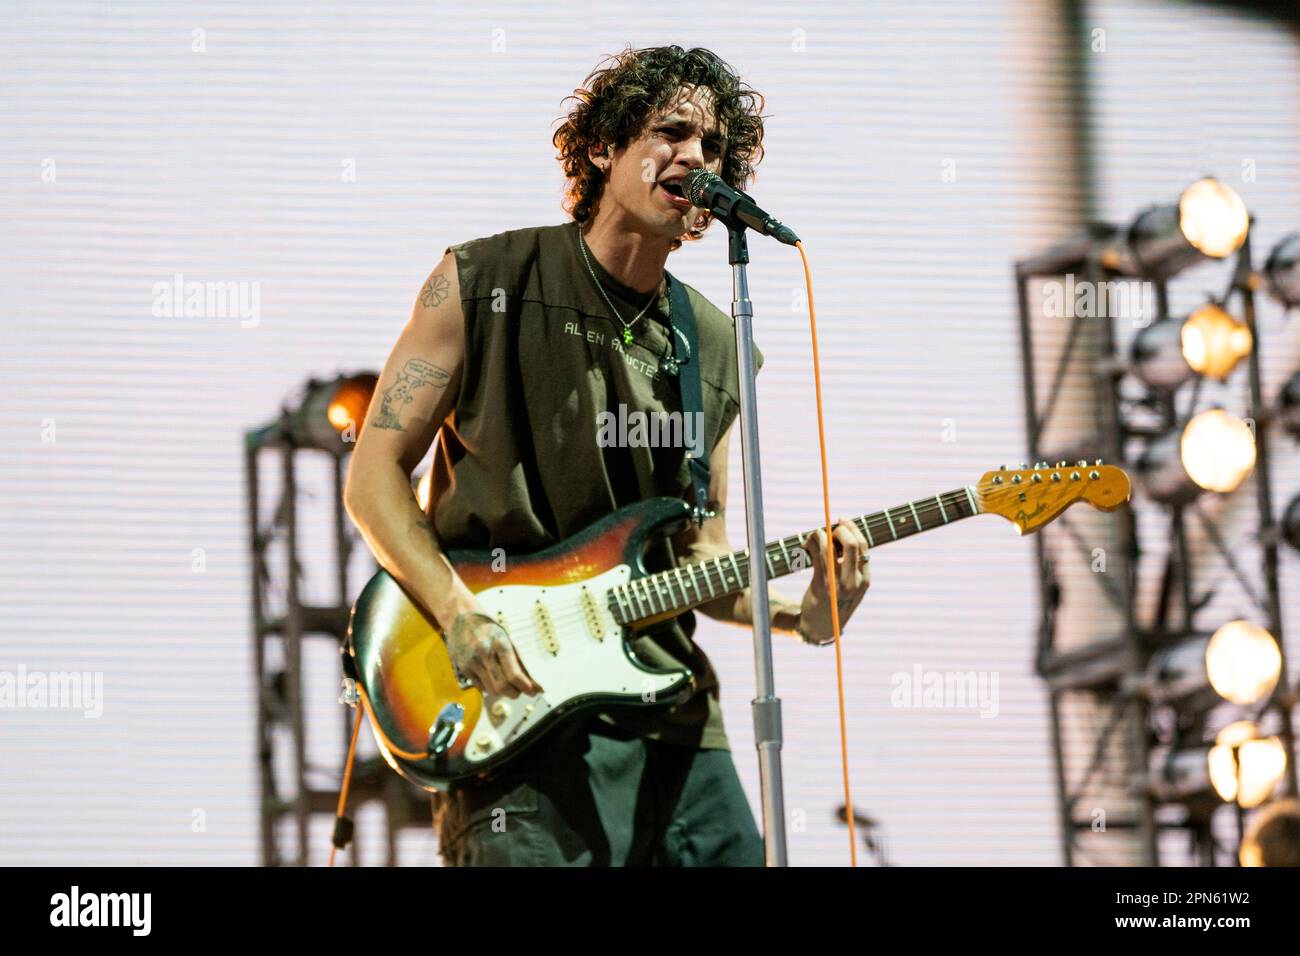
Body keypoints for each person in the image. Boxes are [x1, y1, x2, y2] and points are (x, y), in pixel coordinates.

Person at [343, 44, 871, 867]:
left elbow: (702, 555)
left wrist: (807, 617)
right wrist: (457, 613)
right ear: (602, 148)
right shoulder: (481, 280)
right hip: (510, 711)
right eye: (671, 131)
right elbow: (373, 477)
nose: (695, 157)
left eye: (714, 147)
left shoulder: (717, 345)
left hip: (674, 723)